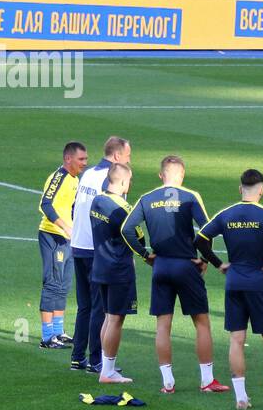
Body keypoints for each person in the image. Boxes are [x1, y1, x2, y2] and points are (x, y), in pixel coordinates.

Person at [195, 169, 263, 410]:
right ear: (261, 190)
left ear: (240, 188)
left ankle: (241, 398)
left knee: (236, 339)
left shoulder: (226, 214)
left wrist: (218, 263)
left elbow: (200, 240)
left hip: (233, 281)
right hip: (259, 282)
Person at [121, 155, 228, 394]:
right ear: (182, 175)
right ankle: (207, 380)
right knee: (201, 323)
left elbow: (126, 229)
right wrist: (204, 259)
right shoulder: (190, 196)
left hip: (161, 267)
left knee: (162, 326)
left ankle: (168, 382)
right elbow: (207, 230)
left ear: (161, 175)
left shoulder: (146, 198)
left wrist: (145, 254)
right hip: (186, 266)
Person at [69, 136, 132, 374]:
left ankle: (77, 357)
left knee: (84, 305)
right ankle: (97, 360)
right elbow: (117, 220)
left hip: (79, 245)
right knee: (100, 308)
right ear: (117, 156)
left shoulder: (88, 174)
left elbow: (77, 208)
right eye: (127, 156)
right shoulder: (113, 179)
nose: (128, 161)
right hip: (99, 251)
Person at [88, 163, 141, 385]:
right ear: (122, 181)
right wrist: (146, 255)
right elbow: (138, 237)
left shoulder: (97, 200)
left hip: (100, 266)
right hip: (119, 269)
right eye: (128, 181)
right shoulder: (123, 208)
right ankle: (108, 371)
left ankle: (105, 366)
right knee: (116, 319)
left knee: (109, 318)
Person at [36, 141, 87, 349]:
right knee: (52, 283)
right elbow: (45, 204)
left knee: (64, 284)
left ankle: (58, 331)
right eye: (81, 159)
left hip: (68, 239)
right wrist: (65, 227)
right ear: (68, 159)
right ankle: (47, 336)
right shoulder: (59, 177)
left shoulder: (75, 179)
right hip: (53, 235)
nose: (85, 162)